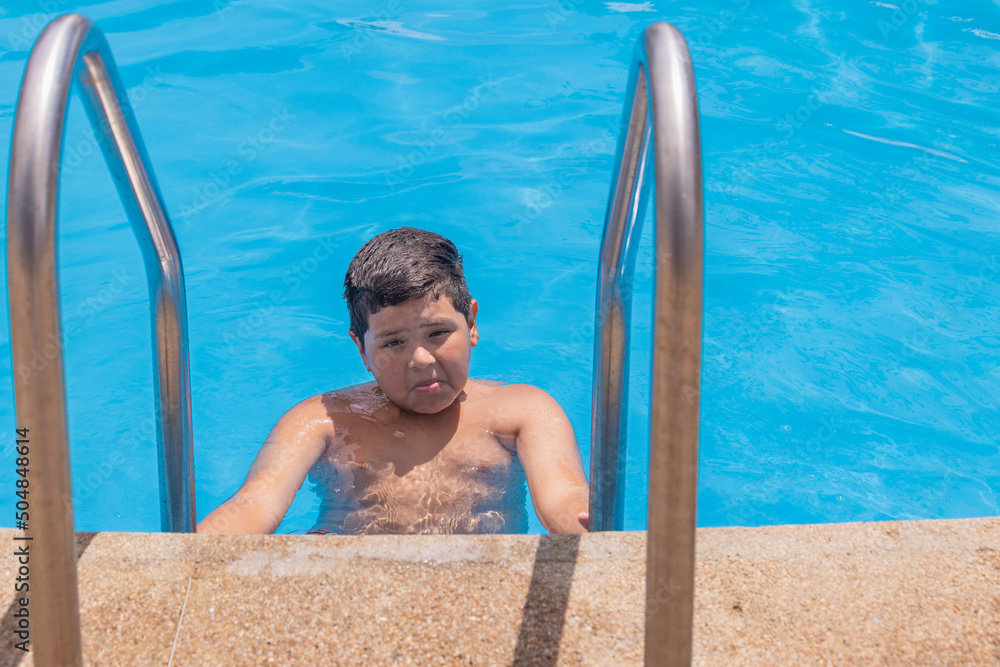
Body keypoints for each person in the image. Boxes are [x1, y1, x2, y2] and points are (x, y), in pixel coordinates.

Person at [197, 227, 589, 535]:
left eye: (438, 333)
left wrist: (586, 522)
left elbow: (563, 496)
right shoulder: (322, 421)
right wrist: (191, 549)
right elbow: (255, 504)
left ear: (471, 322)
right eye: (393, 343)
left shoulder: (522, 410)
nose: (421, 359)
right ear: (361, 349)